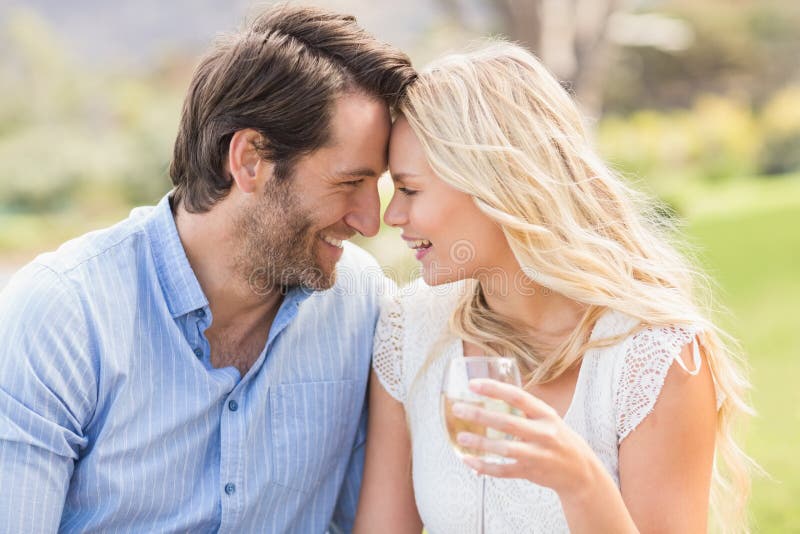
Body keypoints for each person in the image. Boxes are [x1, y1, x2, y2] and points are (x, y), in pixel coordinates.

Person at [0, 5, 415, 533]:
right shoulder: (65, 316)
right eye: (349, 182)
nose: (370, 221)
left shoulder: (362, 306)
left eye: (376, 185)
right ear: (249, 160)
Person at [354, 41, 752, 533]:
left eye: (410, 190)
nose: (392, 216)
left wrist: (580, 481)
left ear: (497, 184)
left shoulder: (654, 361)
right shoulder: (410, 329)